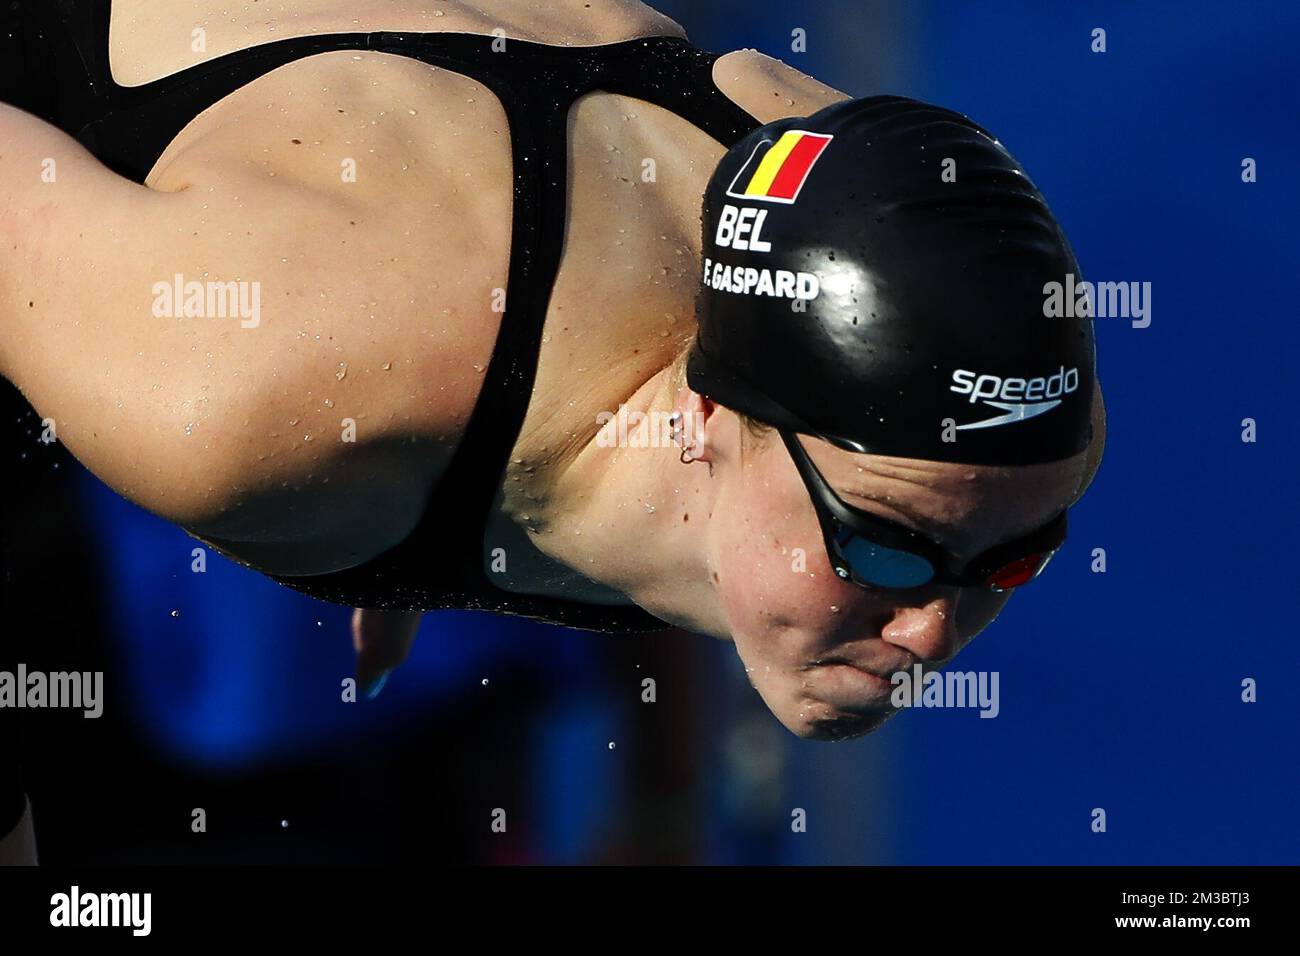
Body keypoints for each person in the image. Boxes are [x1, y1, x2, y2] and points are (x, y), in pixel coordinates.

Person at [0, 0, 1103, 741]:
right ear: (704, 419)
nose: (931, 634)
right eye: (882, 546)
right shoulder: (243, 384)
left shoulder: (1007, 427)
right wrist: (372, 459)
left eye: (1012, 564)